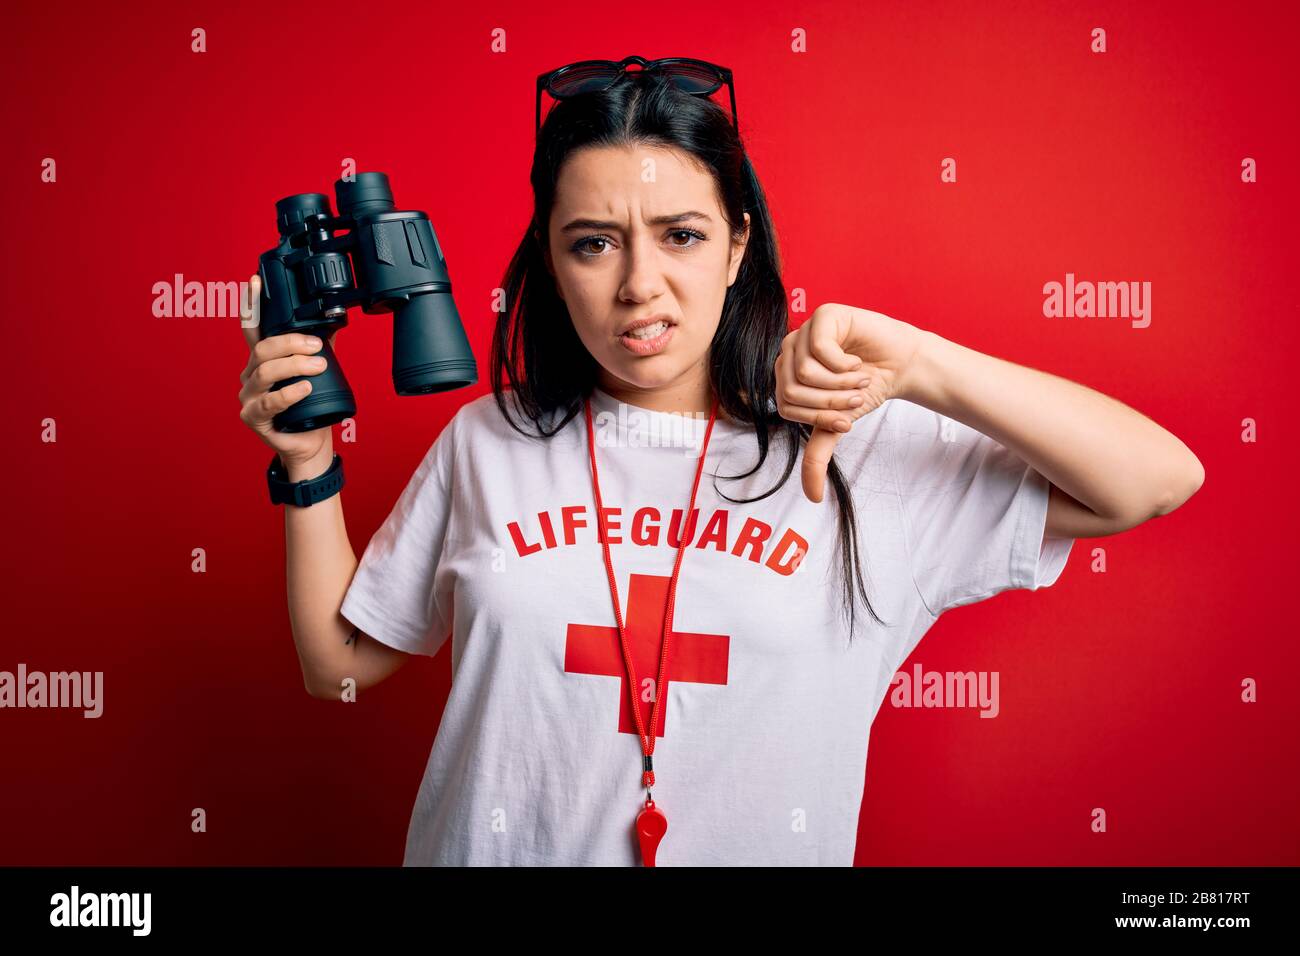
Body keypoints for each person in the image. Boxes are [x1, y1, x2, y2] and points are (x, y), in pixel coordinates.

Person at [236, 57, 1204, 866]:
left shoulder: (856, 454)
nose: (637, 284)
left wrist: (920, 364)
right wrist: (309, 462)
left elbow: (1156, 477)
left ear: (738, 244)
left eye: (682, 235)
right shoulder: (489, 441)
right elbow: (340, 664)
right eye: (592, 243)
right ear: (551, 261)